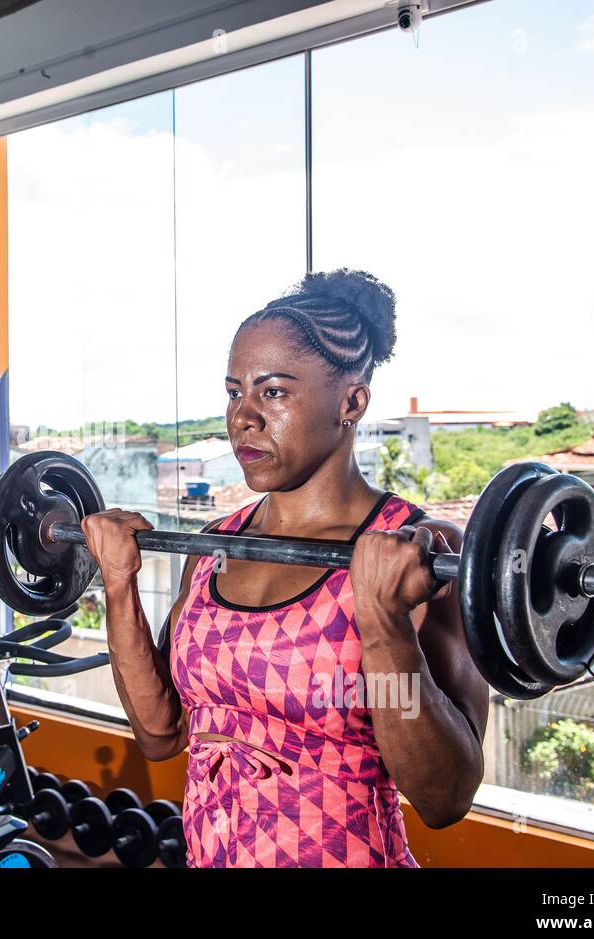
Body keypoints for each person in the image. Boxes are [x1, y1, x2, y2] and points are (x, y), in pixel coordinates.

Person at [84, 268, 487, 867]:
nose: (242, 416)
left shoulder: (422, 553)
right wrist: (119, 586)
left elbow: (443, 796)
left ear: (351, 402)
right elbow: (162, 734)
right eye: (234, 391)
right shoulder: (215, 546)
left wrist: (383, 625)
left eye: (273, 392)